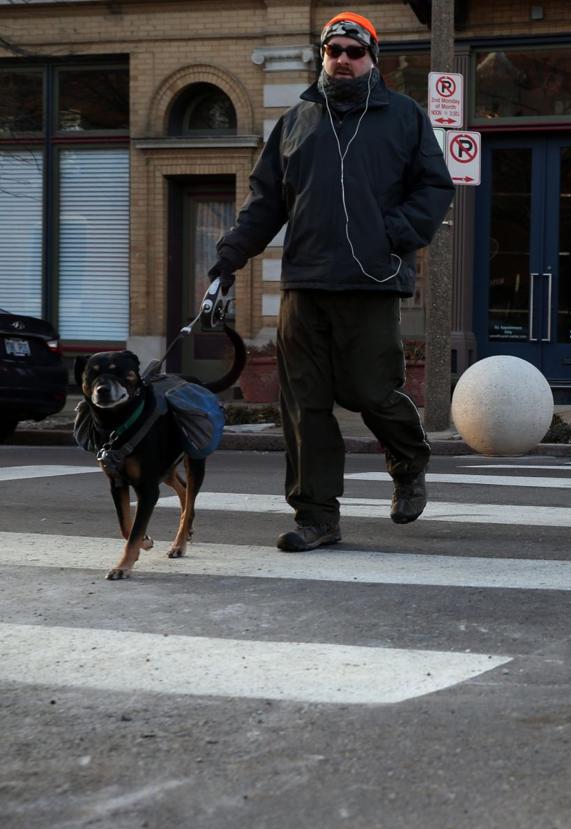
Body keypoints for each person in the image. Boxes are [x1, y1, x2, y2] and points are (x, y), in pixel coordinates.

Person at [205, 10, 454, 552]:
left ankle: (409, 461)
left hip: (371, 282)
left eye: (354, 51)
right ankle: (316, 516)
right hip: (306, 285)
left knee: (370, 391)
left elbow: (435, 187)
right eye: (333, 50)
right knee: (304, 405)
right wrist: (230, 257)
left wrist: (394, 233)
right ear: (323, 56)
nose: (342, 59)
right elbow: (266, 202)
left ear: (372, 60)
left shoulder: (404, 117)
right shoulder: (296, 122)